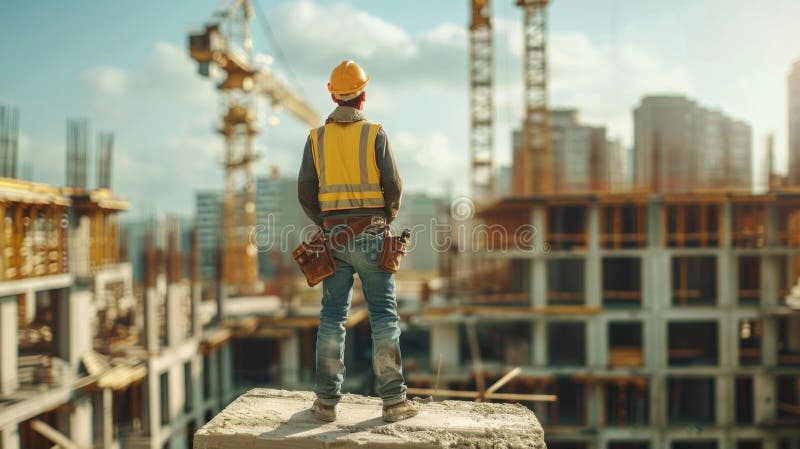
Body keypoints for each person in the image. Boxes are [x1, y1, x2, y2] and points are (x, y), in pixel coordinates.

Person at [297, 60, 419, 422]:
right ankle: (394, 403)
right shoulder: (375, 133)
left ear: (333, 95)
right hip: (371, 233)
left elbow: (305, 190)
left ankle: (324, 404)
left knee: (333, 317)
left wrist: (328, 224)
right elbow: (393, 186)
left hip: (332, 236)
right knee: (383, 315)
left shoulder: (316, 138)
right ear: (363, 97)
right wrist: (385, 219)